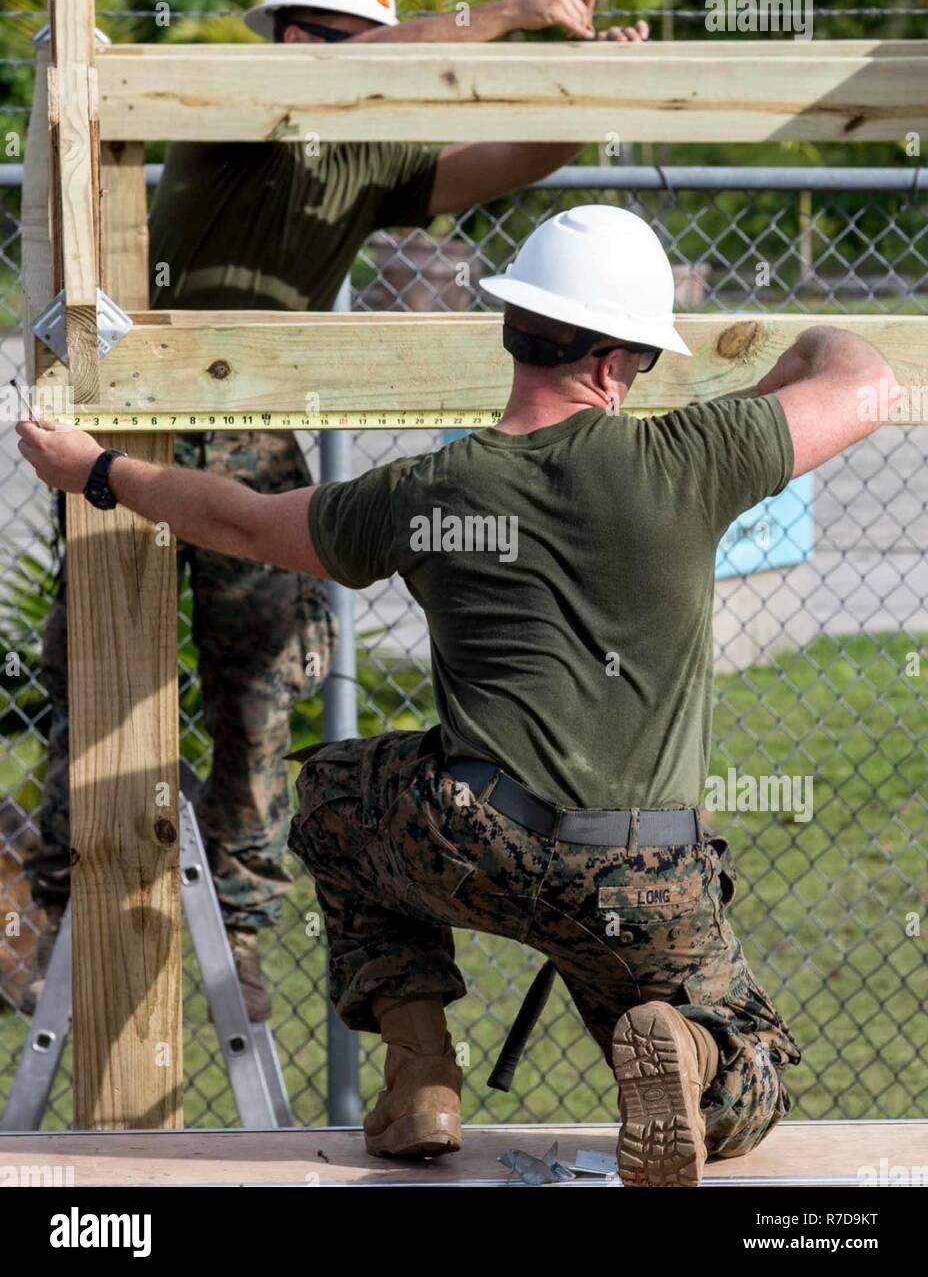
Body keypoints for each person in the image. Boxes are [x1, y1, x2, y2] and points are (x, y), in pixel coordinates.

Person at [19, 205, 895, 1186]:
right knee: (748, 1080)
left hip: (476, 836)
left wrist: (96, 468)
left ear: (514, 331)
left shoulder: (430, 490)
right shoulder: (694, 456)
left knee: (338, 793)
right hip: (647, 868)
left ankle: (422, 1076)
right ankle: (686, 1054)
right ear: (614, 365)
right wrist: (788, 356)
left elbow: (247, 520)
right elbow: (862, 379)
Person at [21, 0, 649, 1019]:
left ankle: (241, 931)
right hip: (145, 421)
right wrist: (518, 12)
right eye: (314, 39)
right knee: (100, 674)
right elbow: (344, 79)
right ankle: (48, 892)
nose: (317, 55)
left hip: (250, 434)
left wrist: (597, 95)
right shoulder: (231, 116)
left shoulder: (366, 161)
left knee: (259, 685)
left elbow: (509, 159)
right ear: (288, 41)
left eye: (336, 40)